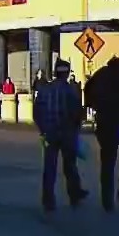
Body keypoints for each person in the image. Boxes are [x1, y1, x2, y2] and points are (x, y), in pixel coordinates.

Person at [33, 59, 88, 211]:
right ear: (66, 73)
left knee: (50, 166)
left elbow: (36, 112)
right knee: (69, 165)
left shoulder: (45, 90)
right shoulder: (71, 90)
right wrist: (76, 127)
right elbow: (77, 112)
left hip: (49, 133)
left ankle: (48, 199)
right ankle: (74, 193)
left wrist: (42, 129)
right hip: (66, 133)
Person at [85, 56, 119, 210]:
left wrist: (96, 106)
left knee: (108, 161)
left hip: (105, 123)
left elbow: (88, 95)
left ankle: (108, 199)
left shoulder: (99, 78)